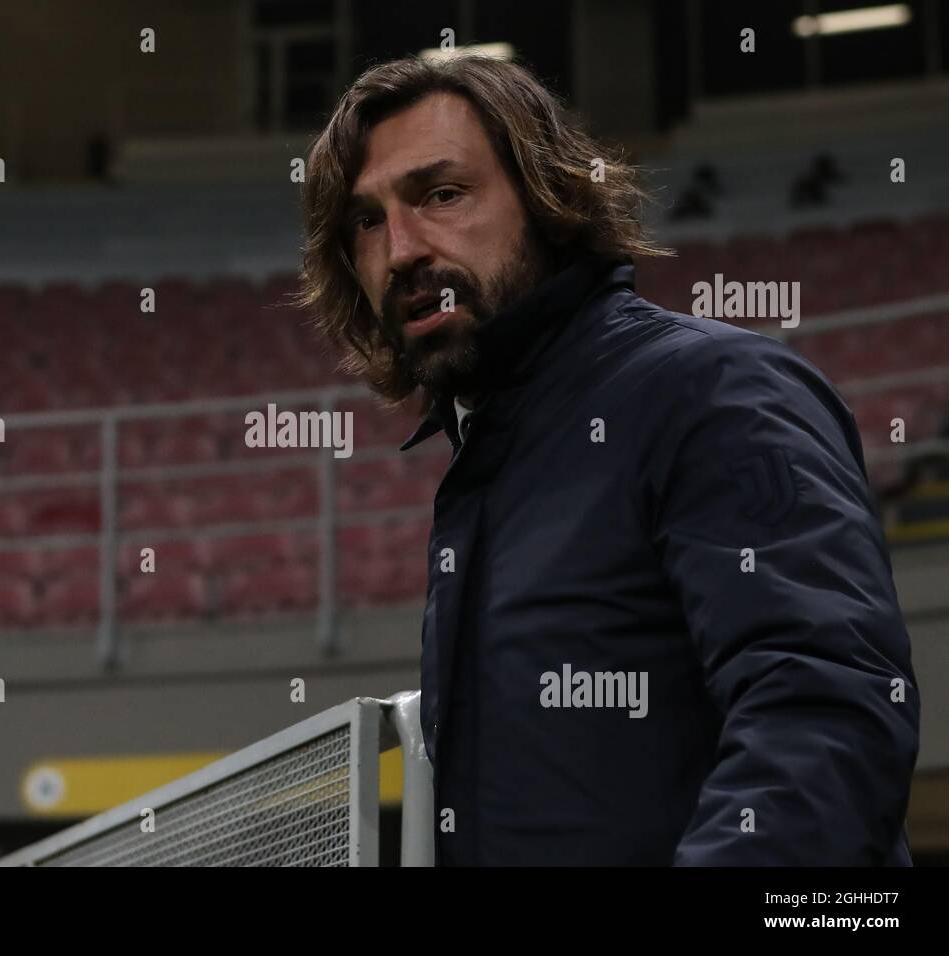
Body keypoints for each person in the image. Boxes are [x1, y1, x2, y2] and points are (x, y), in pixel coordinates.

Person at [296, 55, 919, 865]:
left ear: (548, 197)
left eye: (441, 194)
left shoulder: (713, 390)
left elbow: (825, 720)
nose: (401, 250)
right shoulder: (485, 460)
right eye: (366, 222)